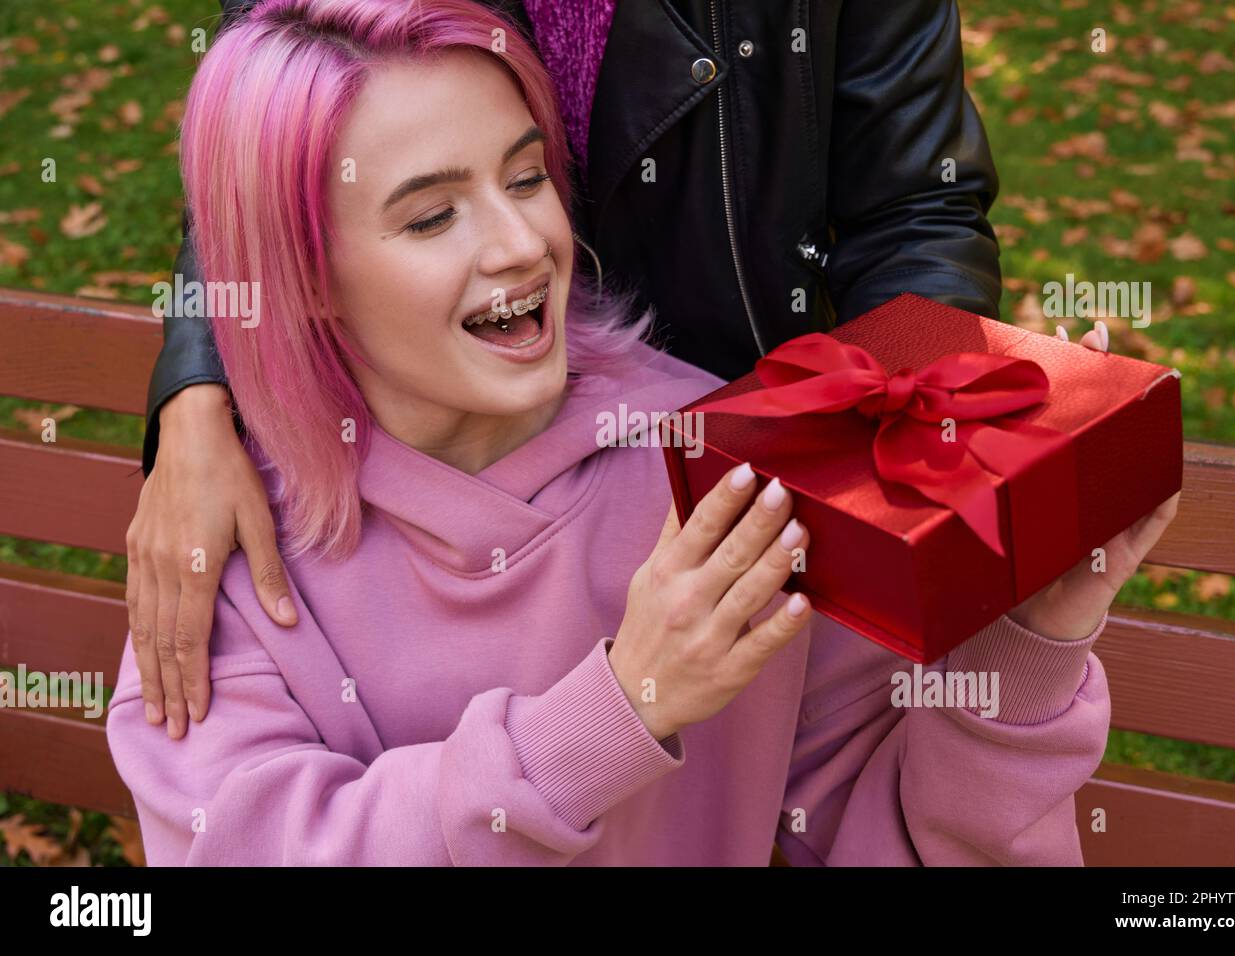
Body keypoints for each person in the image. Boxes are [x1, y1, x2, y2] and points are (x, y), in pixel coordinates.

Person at [106, 0, 1176, 866]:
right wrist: (617, 713)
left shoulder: (731, 491)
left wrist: (1031, 634)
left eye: (528, 177)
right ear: (302, 275)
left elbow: (896, 827)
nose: (524, 241)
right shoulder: (230, 537)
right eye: (432, 216)